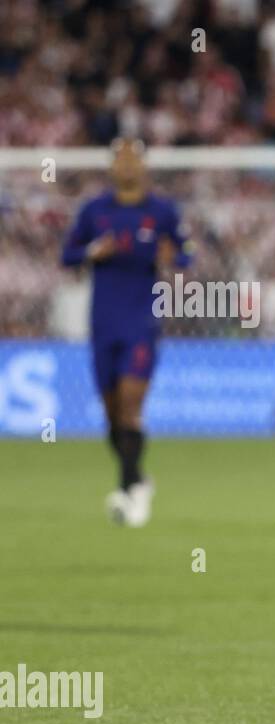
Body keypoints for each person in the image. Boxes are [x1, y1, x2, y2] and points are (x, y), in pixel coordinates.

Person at [61, 139, 192, 527]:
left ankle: (127, 492)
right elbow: (67, 255)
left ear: (145, 166)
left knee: (132, 404)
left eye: (134, 159)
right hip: (102, 322)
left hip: (142, 320)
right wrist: (89, 254)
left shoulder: (163, 211)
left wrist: (175, 258)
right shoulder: (94, 211)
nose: (128, 166)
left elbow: (187, 252)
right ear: (112, 166)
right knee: (112, 415)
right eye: (121, 159)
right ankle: (139, 480)